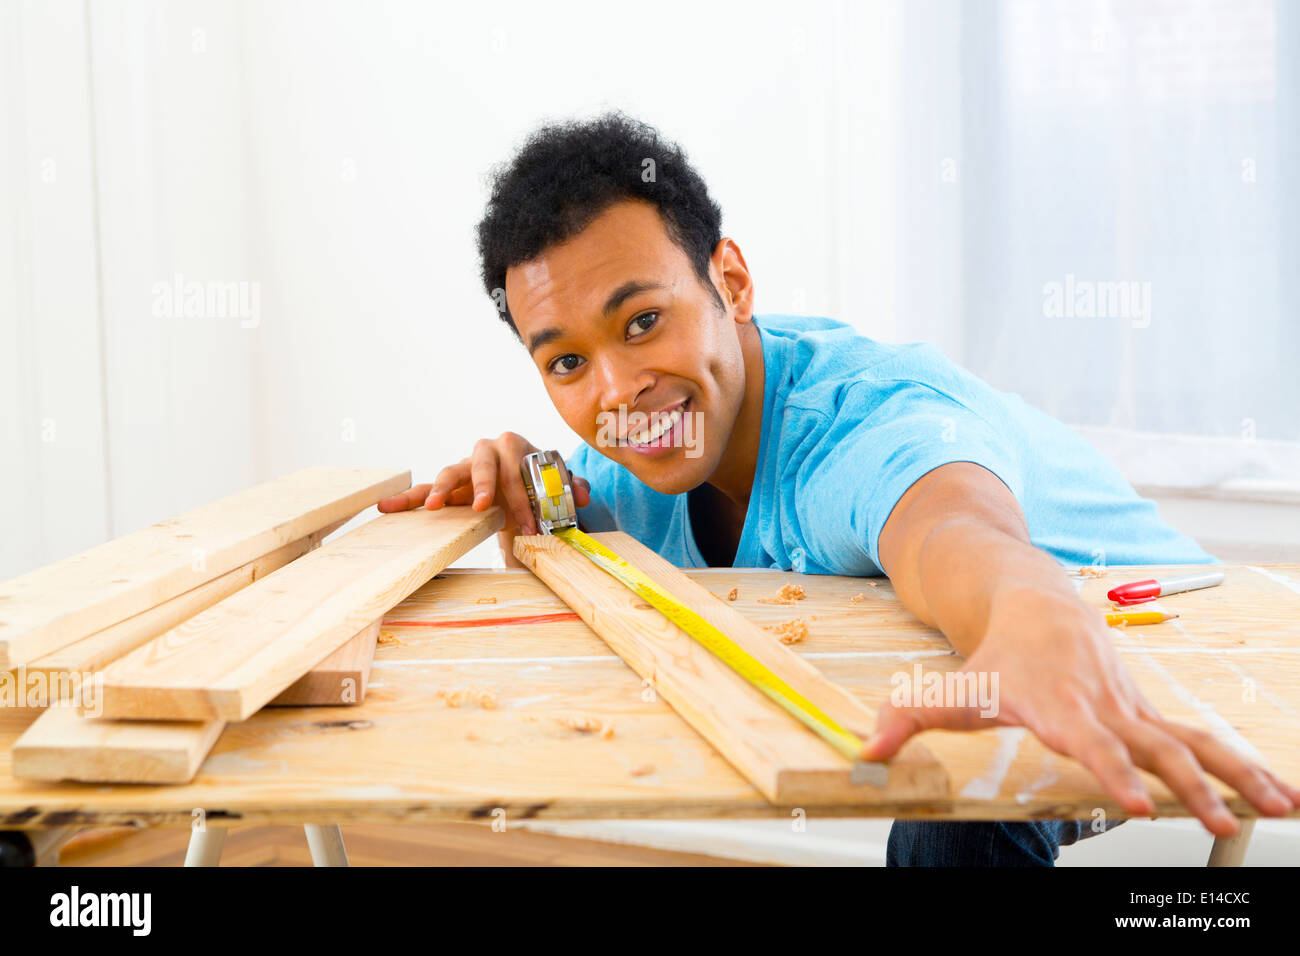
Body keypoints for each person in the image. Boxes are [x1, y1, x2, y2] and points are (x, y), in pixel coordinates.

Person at [379, 113, 1298, 865]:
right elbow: (598, 534)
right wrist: (549, 504)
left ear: (731, 283)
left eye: (644, 320)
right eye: (568, 360)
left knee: (959, 821)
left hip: (1156, 652)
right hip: (1028, 657)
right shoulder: (632, 458)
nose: (616, 391)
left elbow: (960, 535)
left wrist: (1024, 618)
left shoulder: (865, 422)